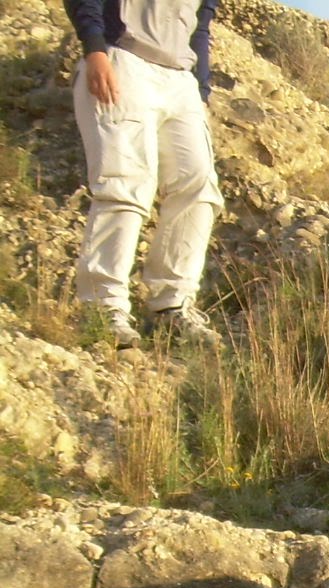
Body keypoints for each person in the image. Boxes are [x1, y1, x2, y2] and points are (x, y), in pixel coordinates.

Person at [64, 0, 224, 348]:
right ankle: (102, 306)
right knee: (126, 182)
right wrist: (95, 49)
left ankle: (172, 306)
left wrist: (201, 89)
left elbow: (200, 24)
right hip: (123, 58)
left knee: (198, 187)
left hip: (180, 78)